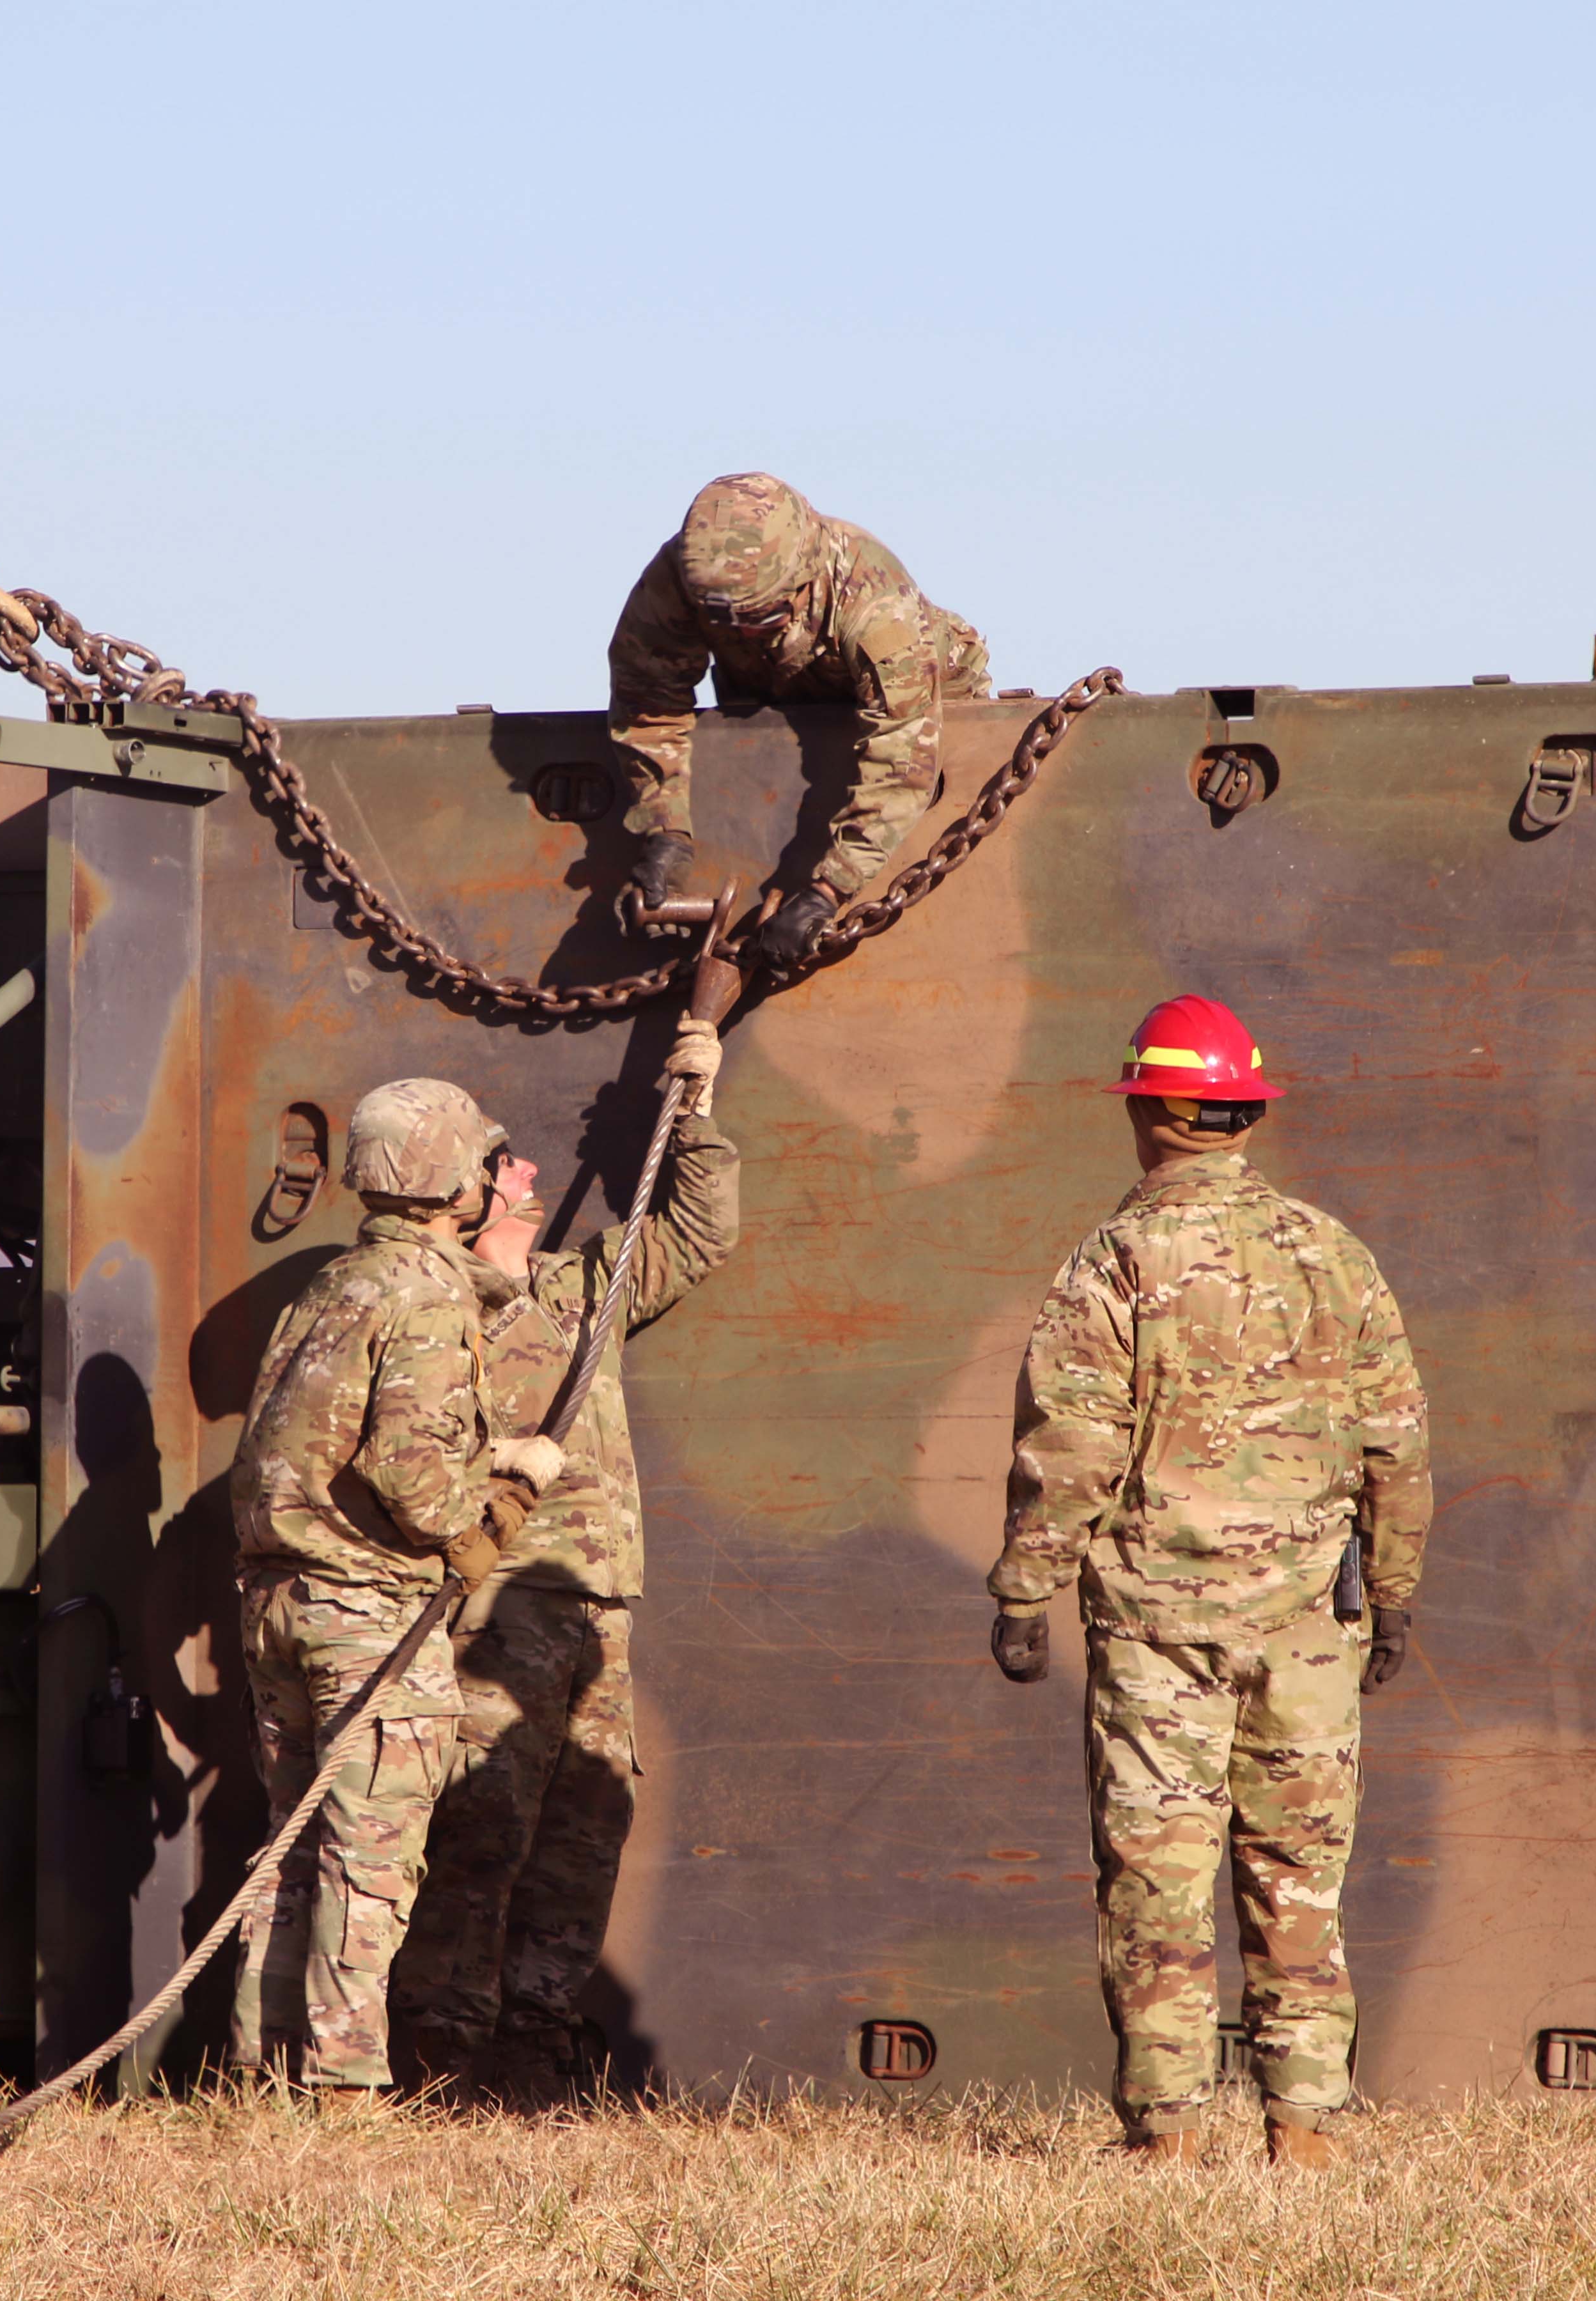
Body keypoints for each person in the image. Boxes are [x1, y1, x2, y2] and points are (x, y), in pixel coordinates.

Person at [987, 996, 1430, 2167]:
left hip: (1158, 1632)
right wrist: (1392, 1592)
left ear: (1151, 1113)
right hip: (1308, 1628)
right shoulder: (1336, 1253)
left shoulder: (1118, 1260)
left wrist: (1027, 1588)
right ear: (1240, 1114)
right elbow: (1398, 1439)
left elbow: (1073, 1442)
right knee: (1298, 1877)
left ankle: (1172, 2136)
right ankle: (1308, 2127)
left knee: (1157, 1880)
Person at [391, 1019, 736, 2100]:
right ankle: (445, 2054)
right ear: (458, 1186)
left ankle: (535, 2045)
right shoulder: (425, 1309)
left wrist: (699, 1112)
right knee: (478, 1831)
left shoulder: (580, 1287)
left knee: (586, 1827)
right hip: (488, 1610)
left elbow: (699, 1234)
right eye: (505, 1164)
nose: (529, 1173)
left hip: (593, 1611)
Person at [229, 1077, 561, 2103]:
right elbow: (413, 1479)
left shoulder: (335, 1285)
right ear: (453, 1178)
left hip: (282, 1603)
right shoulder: (427, 1296)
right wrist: (505, 1491)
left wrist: (480, 1455)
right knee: (367, 1863)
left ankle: (263, 2072)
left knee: (289, 1850)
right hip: (367, 1614)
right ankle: (340, 2094)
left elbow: (318, 1436)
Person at [607, 472, 993, 968]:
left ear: (801, 579)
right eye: (722, 626)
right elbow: (647, 703)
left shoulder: (875, 602)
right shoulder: (681, 581)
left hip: (924, 699)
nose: (740, 634)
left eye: (758, 619)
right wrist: (666, 833)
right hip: (776, 695)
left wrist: (829, 891)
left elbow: (904, 753)